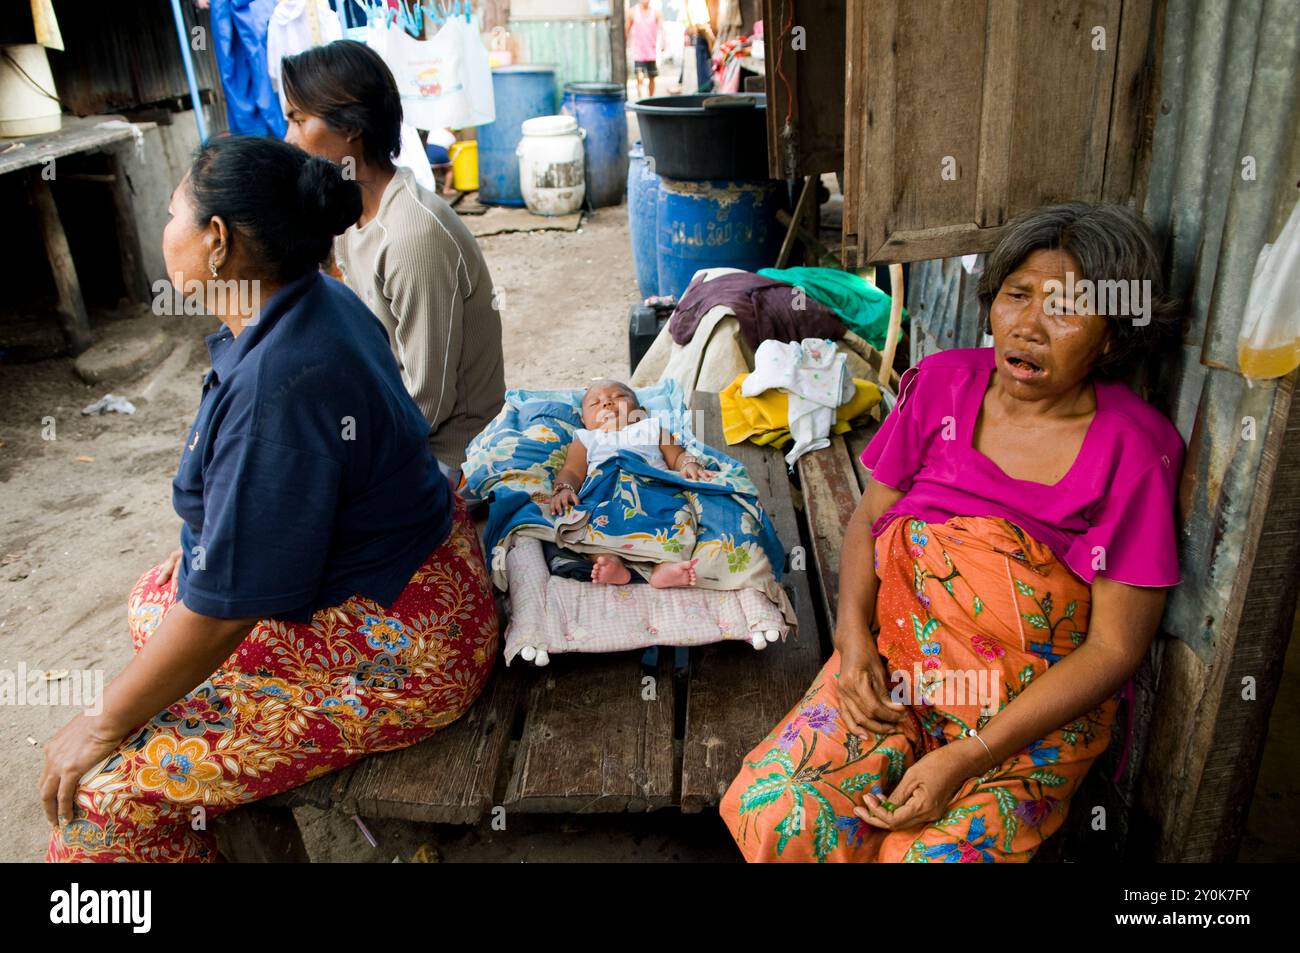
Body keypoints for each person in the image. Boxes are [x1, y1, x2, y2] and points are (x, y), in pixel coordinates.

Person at [40, 137, 498, 862]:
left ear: (216, 242)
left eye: (171, 213)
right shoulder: (313, 299)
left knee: (100, 798)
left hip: (407, 652)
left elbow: (225, 607)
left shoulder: (279, 386)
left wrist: (99, 723)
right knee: (151, 598)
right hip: (419, 583)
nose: (165, 229)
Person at [720, 202, 1186, 862]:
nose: (1028, 326)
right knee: (781, 811)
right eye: (1016, 295)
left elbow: (1114, 647)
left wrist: (970, 755)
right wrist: (853, 646)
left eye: (1066, 307)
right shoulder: (941, 387)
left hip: (1024, 724)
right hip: (894, 679)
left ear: (1112, 335)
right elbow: (867, 520)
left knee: (925, 857)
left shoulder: (1133, 452)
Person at [282, 40, 505, 476]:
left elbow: (428, 401)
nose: (289, 137)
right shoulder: (354, 213)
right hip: (397, 418)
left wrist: (348, 450)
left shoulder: (411, 235)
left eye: (298, 120)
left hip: (452, 451)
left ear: (350, 126)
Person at [626, 0, 664, 99]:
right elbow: (626, 29)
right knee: (640, 76)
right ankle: (641, 98)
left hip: (651, 51)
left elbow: (661, 28)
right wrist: (626, 43)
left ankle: (651, 98)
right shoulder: (633, 12)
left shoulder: (656, 13)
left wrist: (664, 41)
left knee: (652, 77)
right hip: (638, 51)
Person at [685, 0, 715, 94]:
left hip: (703, 37)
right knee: (705, 83)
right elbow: (701, 25)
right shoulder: (697, 3)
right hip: (703, 37)